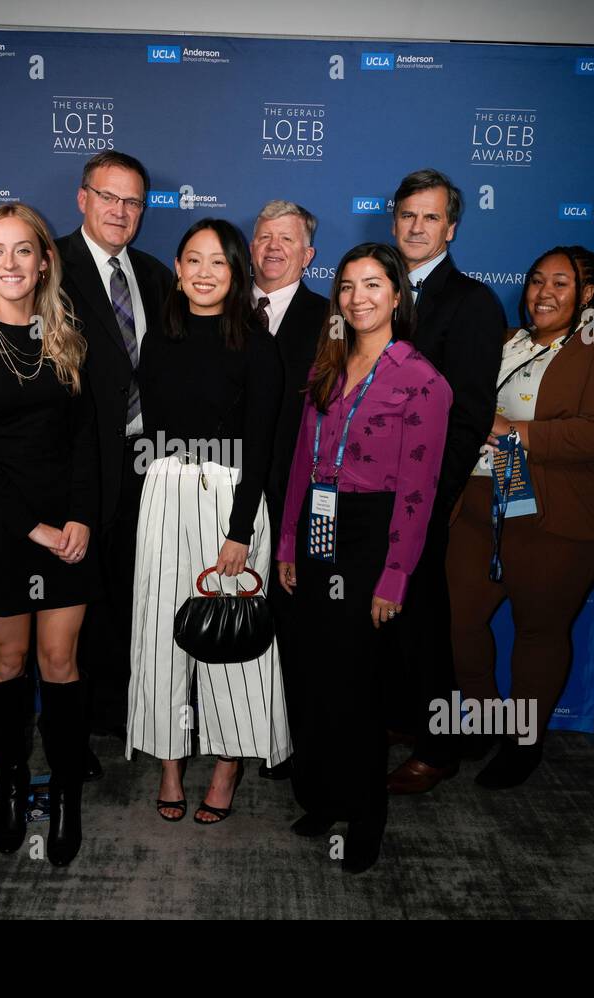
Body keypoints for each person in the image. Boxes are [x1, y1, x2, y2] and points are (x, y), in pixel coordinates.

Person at [277, 243, 451, 873]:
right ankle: (322, 797)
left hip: (374, 534)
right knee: (311, 671)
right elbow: (301, 460)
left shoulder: (422, 380)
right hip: (317, 526)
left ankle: (366, 815)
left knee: (355, 684)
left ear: (397, 296)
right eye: (347, 287)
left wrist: (395, 574)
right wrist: (289, 541)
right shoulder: (328, 365)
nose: (358, 298)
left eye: (373, 285)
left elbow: (418, 491)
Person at [0, 202, 99, 867]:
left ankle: (64, 793)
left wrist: (82, 519)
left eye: (22, 250)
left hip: (68, 531)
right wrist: (32, 527)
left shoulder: (69, 336)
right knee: (6, 663)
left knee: (60, 662)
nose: (10, 263)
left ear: (44, 260)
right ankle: (10, 786)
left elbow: (89, 441)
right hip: (3, 529)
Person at [446, 246, 594, 787]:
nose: (542, 293)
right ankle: (482, 720)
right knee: (457, 621)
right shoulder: (506, 341)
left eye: (560, 283)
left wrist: (515, 431)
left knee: (538, 632)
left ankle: (523, 743)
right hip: (480, 506)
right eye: (535, 281)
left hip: (556, 520)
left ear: (588, 296)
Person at [127, 218, 291, 825]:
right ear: (176, 267)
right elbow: (154, 432)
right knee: (159, 635)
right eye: (192, 260)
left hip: (231, 503)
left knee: (234, 639)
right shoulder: (158, 340)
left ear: (235, 273)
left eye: (218, 262)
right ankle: (169, 761)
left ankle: (228, 764)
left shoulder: (257, 342)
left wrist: (240, 533)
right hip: (165, 493)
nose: (203, 273)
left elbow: (262, 447)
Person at [383, 168, 505, 796]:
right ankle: (406, 718)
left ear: (451, 228)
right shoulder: (374, 289)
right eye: (408, 214)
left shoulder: (473, 302)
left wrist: (434, 491)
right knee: (388, 614)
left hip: (421, 492)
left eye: (431, 217)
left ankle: (439, 748)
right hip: (365, 488)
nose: (417, 226)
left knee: (425, 619)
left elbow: (471, 410)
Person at [56, 153, 175, 769]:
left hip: (144, 461)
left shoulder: (155, 275)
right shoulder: (47, 265)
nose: (121, 212)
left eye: (133, 202)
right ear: (83, 198)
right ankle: (71, 731)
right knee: (73, 596)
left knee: (134, 589)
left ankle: (120, 713)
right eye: (109, 197)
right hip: (71, 463)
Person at [249, 200, 329, 782]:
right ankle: (233, 729)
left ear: (309, 255)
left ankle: (293, 737)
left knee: (298, 621)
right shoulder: (218, 308)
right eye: (263, 236)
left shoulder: (333, 319)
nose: (273, 247)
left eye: (287, 239)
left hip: (300, 494)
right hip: (226, 489)